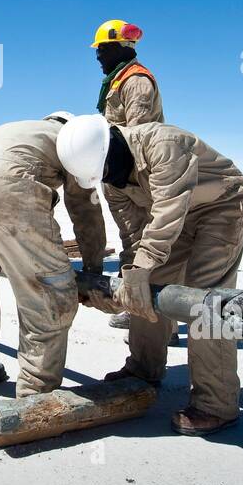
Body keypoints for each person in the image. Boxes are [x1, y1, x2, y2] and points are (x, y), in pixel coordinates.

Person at [57, 114, 243, 436]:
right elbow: (133, 231)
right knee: (148, 289)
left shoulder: (164, 145)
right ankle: (143, 370)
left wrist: (139, 269)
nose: (109, 179)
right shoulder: (112, 179)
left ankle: (216, 405)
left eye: (108, 170)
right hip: (175, 221)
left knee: (204, 300)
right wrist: (132, 275)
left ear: (114, 144)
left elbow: (167, 211)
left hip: (221, 208)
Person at [0, 113, 107, 397]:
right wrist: (93, 268)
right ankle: (36, 386)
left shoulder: (18, 129)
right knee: (49, 290)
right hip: (11, 185)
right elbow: (85, 212)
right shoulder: (73, 141)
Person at [90, 19, 166, 331]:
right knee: (130, 240)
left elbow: (139, 137)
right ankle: (137, 305)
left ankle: (158, 315)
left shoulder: (135, 82)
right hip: (120, 177)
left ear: (122, 47)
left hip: (136, 178)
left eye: (103, 49)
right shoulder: (117, 80)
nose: (97, 56)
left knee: (144, 242)